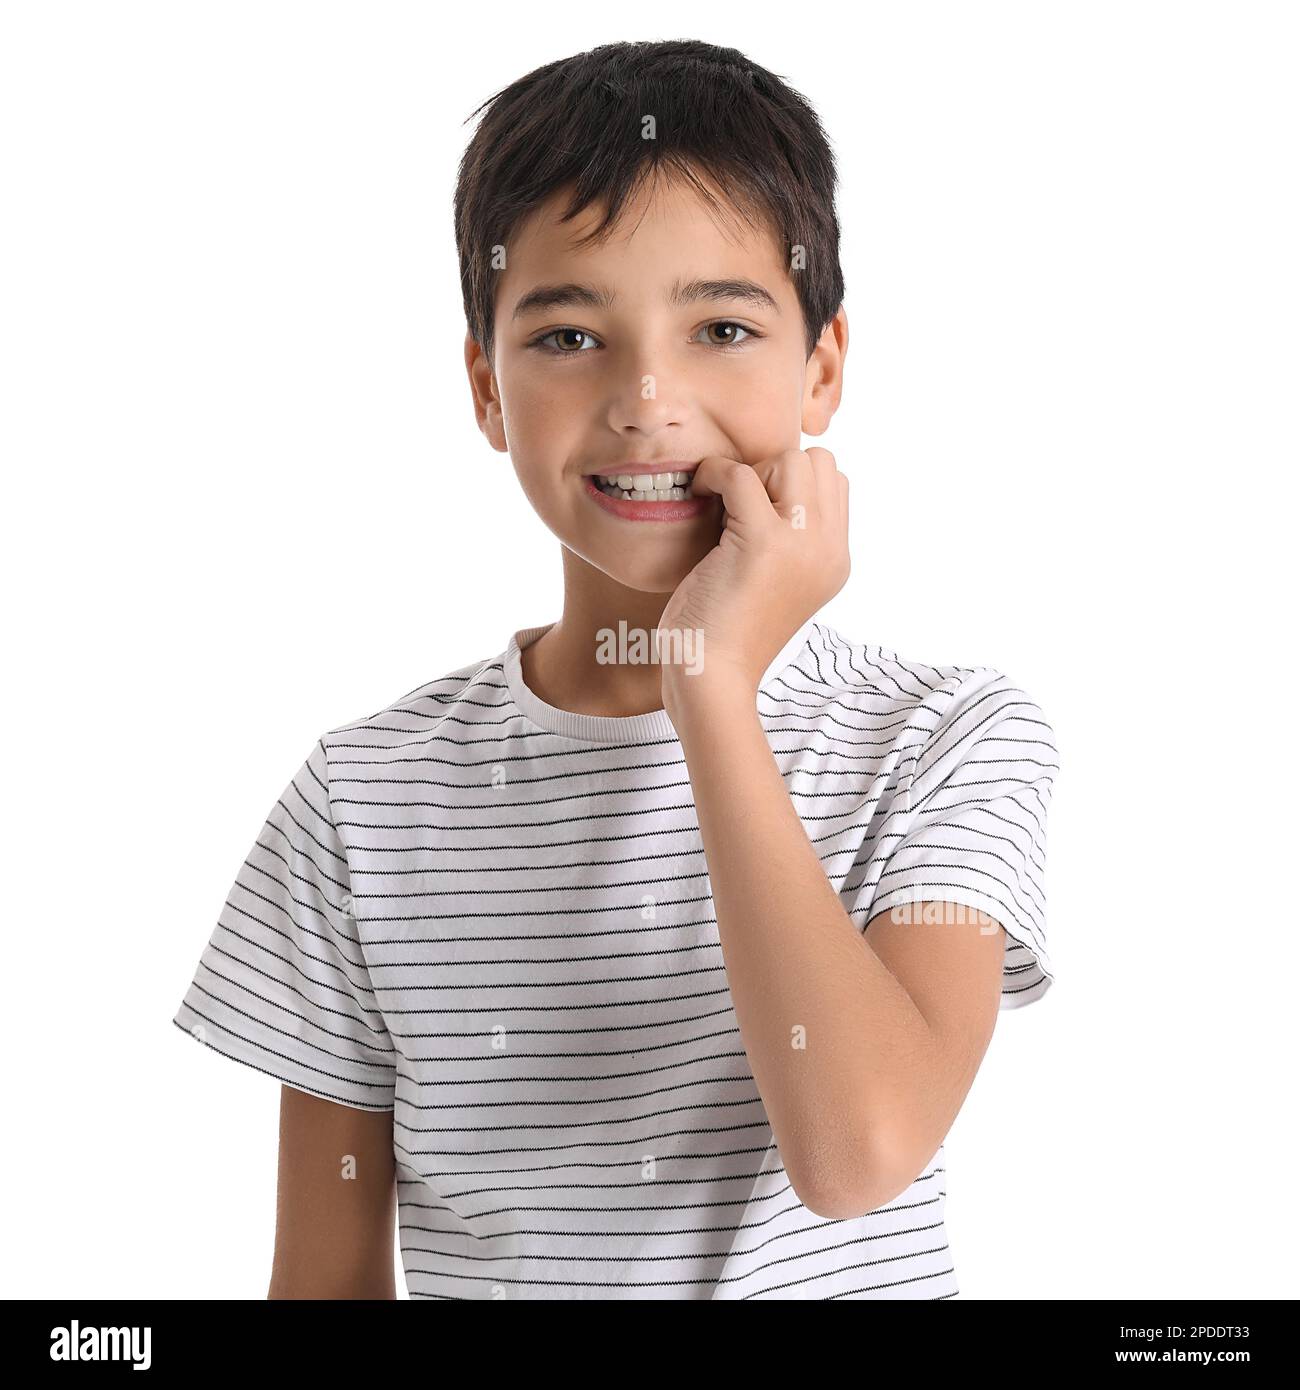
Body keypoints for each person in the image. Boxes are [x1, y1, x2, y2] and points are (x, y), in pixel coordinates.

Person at [172, 37, 1058, 1300]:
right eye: (571, 334)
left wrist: (708, 685)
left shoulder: (945, 740)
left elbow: (858, 1148)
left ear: (822, 368)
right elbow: (321, 1279)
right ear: (486, 387)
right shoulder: (362, 798)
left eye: (721, 326)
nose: (648, 396)